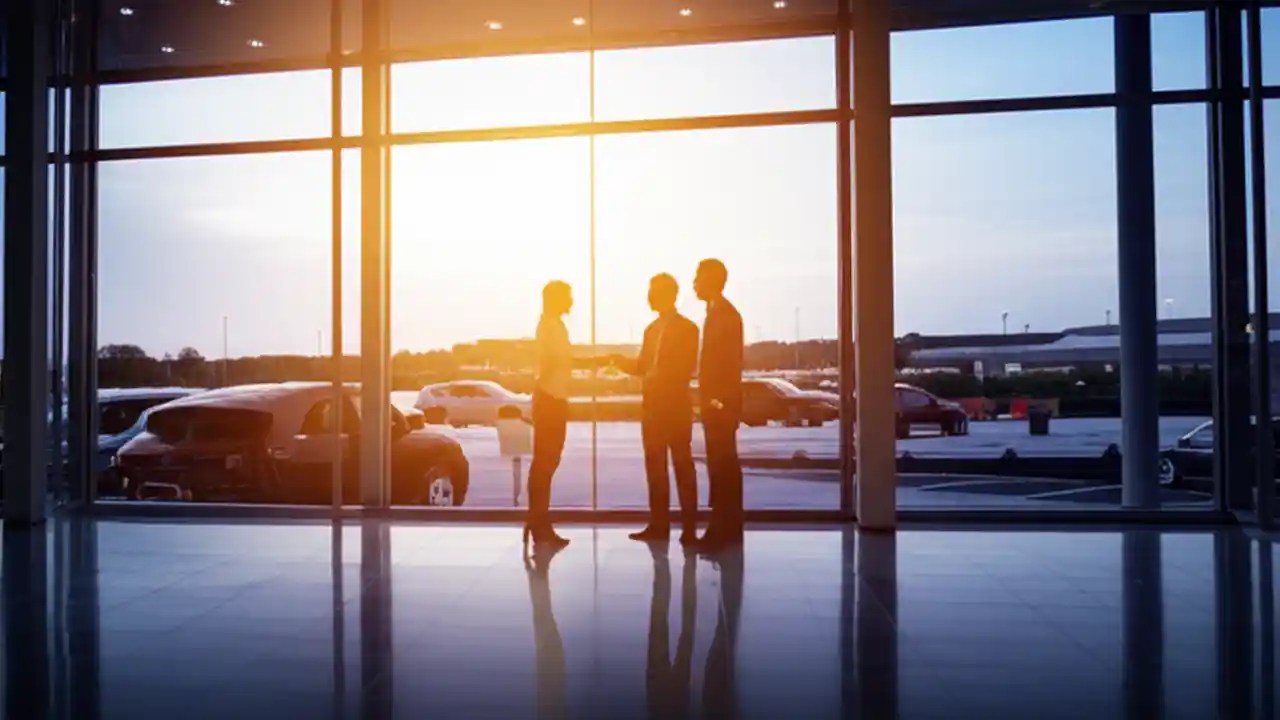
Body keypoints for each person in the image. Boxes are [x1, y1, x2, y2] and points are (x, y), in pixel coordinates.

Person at [616, 273, 700, 544]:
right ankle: (659, 525)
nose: (649, 297)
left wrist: (657, 377)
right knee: (655, 469)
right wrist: (620, 362)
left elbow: (684, 369)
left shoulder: (688, 329)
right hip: (652, 408)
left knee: (682, 467)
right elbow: (643, 366)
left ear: (669, 294)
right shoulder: (651, 330)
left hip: (674, 407)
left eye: (653, 291)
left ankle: (689, 529)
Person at [693, 259, 744, 550]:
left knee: (723, 466)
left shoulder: (724, 315)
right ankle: (725, 528)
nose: (694, 283)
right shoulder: (717, 313)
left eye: (698, 278)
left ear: (711, 280)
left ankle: (724, 529)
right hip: (717, 403)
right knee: (720, 466)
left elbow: (726, 365)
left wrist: (715, 402)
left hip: (720, 405)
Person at [526, 280, 574, 550]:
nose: (572, 302)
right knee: (545, 462)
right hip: (551, 399)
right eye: (568, 296)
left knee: (546, 462)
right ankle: (539, 525)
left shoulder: (551, 324)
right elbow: (551, 362)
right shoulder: (550, 327)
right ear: (556, 299)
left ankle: (538, 522)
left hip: (551, 397)